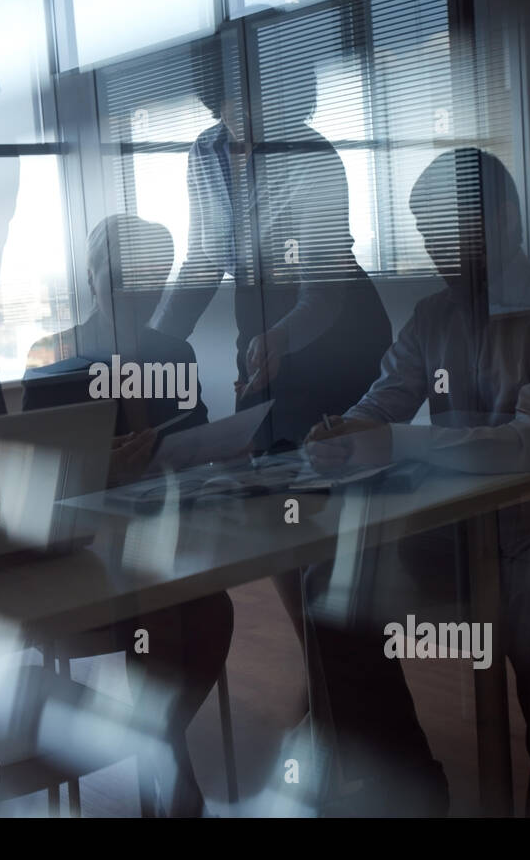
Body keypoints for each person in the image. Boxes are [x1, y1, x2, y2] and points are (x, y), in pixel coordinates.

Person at [304, 148, 530, 817]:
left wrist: (390, 438)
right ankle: (410, 779)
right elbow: (388, 397)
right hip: (460, 528)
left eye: (448, 230)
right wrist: (348, 428)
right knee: (329, 593)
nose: (436, 249)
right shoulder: (432, 316)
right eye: (426, 234)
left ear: (502, 218)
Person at [148, 38, 392, 703]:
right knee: (271, 498)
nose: (269, 109)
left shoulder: (312, 155)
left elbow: (327, 282)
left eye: (283, 93)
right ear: (218, 98)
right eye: (247, 98)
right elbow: (202, 259)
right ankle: (324, 666)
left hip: (335, 326)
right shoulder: (203, 153)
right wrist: (150, 340)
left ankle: (345, 670)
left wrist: (281, 337)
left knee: (321, 499)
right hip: (264, 324)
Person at [24, 214, 234, 817]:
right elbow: (33, 477)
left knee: (207, 609)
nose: (139, 294)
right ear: (94, 278)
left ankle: (159, 744)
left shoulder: (174, 353)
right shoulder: (55, 359)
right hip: (81, 552)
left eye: (151, 281)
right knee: (173, 612)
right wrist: (97, 469)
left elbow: (194, 441)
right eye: (125, 279)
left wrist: (216, 450)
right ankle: (166, 757)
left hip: (158, 535)